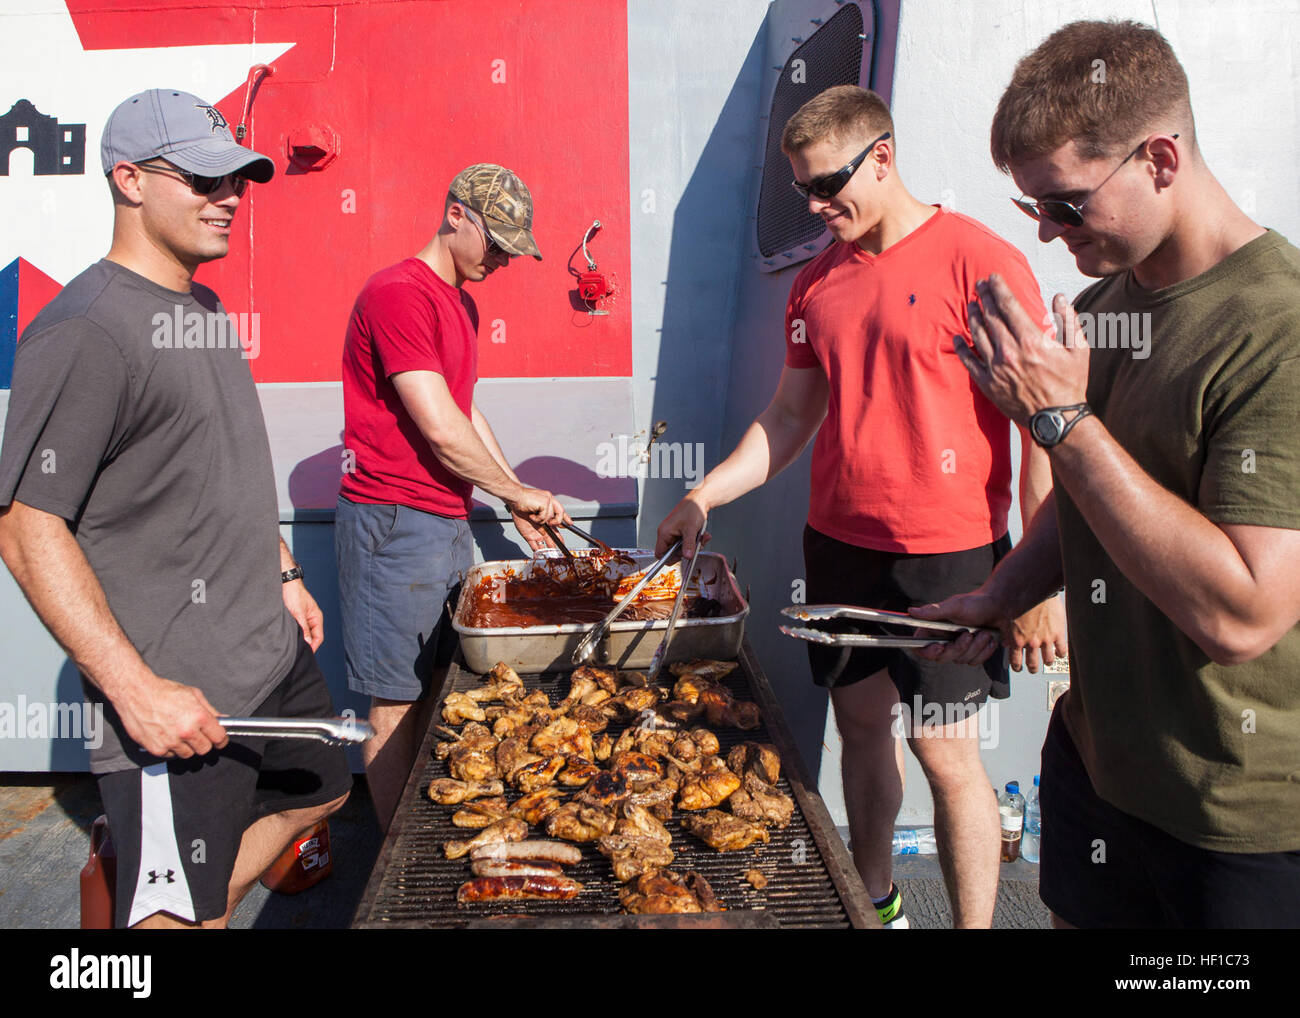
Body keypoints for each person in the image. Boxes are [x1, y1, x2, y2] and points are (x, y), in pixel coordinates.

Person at [914, 19, 1300, 928]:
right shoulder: (1102, 310)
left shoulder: (1276, 330)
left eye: (1068, 206)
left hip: (1232, 813)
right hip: (1097, 766)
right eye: (1031, 210)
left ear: (1161, 159)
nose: (1048, 236)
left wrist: (1062, 422)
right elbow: (1093, 500)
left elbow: (1244, 616)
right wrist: (1001, 593)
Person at [657, 85, 1065, 928]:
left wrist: (1038, 581)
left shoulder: (980, 264)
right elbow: (788, 419)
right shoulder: (815, 285)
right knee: (864, 730)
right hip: (839, 551)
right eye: (801, 190)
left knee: (945, 751)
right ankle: (877, 906)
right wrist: (701, 497)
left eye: (826, 185)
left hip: (951, 559)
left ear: (882, 156)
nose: (813, 206)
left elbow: (1043, 430)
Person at [0, 88, 350, 928]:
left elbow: (217, 465)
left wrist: (283, 571)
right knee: (172, 914)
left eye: (237, 181)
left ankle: (185, 905)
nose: (228, 197)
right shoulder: (87, 330)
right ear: (128, 179)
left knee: (324, 791)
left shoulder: (201, 305)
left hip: (265, 657)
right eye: (201, 178)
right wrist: (136, 690)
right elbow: (23, 524)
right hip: (180, 698)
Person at [336, 164, 567, 831]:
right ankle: (391, 858)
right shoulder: (397, 293)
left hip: (441, 519)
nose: (502, 259)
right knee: (395, 703)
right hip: (391, 520)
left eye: (511, 249)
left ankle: (422, 825)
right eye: (496, 243)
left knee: (438, 687)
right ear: (457, 214)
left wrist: (514, 499)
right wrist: (516, 491)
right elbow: (438, 429)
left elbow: (465, 414)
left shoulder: (460, 301)